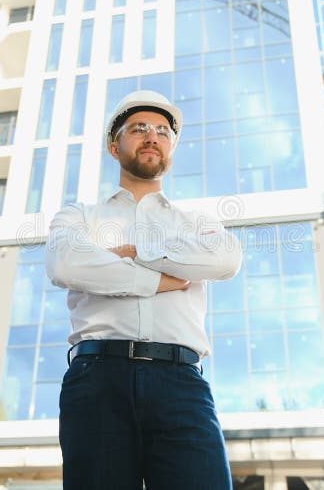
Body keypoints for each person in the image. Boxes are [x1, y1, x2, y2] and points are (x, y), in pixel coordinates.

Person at [45, 90, 242, 490]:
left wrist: (135, 252)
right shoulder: (79, 215)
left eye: (163, 131)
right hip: (97, 380)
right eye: (139, 129)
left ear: (170, 147)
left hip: (181, 382)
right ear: (114, 146)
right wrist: (161, 278)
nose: (153, 136)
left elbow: (226, 260)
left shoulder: (197, 222)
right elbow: (66, 263)